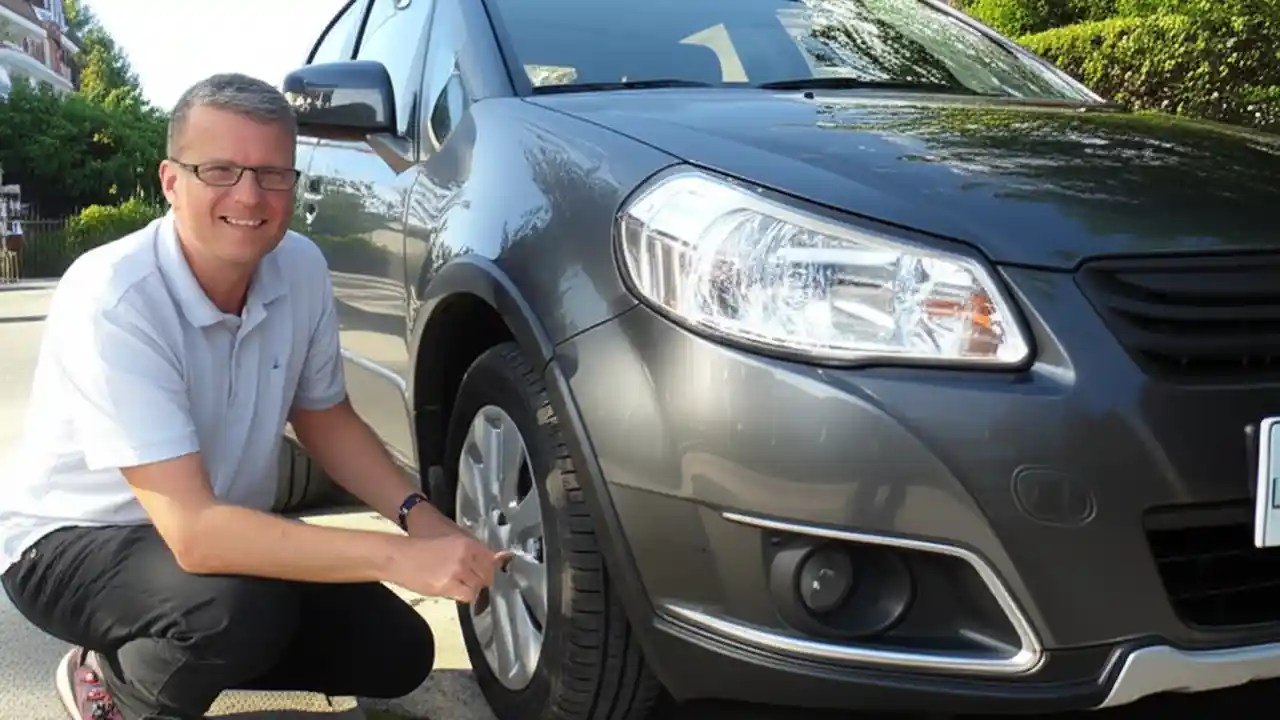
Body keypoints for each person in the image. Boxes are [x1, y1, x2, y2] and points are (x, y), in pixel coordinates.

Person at [0, 72, 508, 720]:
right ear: (170, 181)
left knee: (395, 651)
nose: (249, 195)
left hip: (211, 540)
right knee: (235, 611)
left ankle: (186, 641)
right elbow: (195, 536)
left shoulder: (300, 268)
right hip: (73, 542)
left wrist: (420, 516)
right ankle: (113, 686)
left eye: (272, 174)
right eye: (220, 169)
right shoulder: (115, 296)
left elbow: (325, 418)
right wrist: (400, 557)